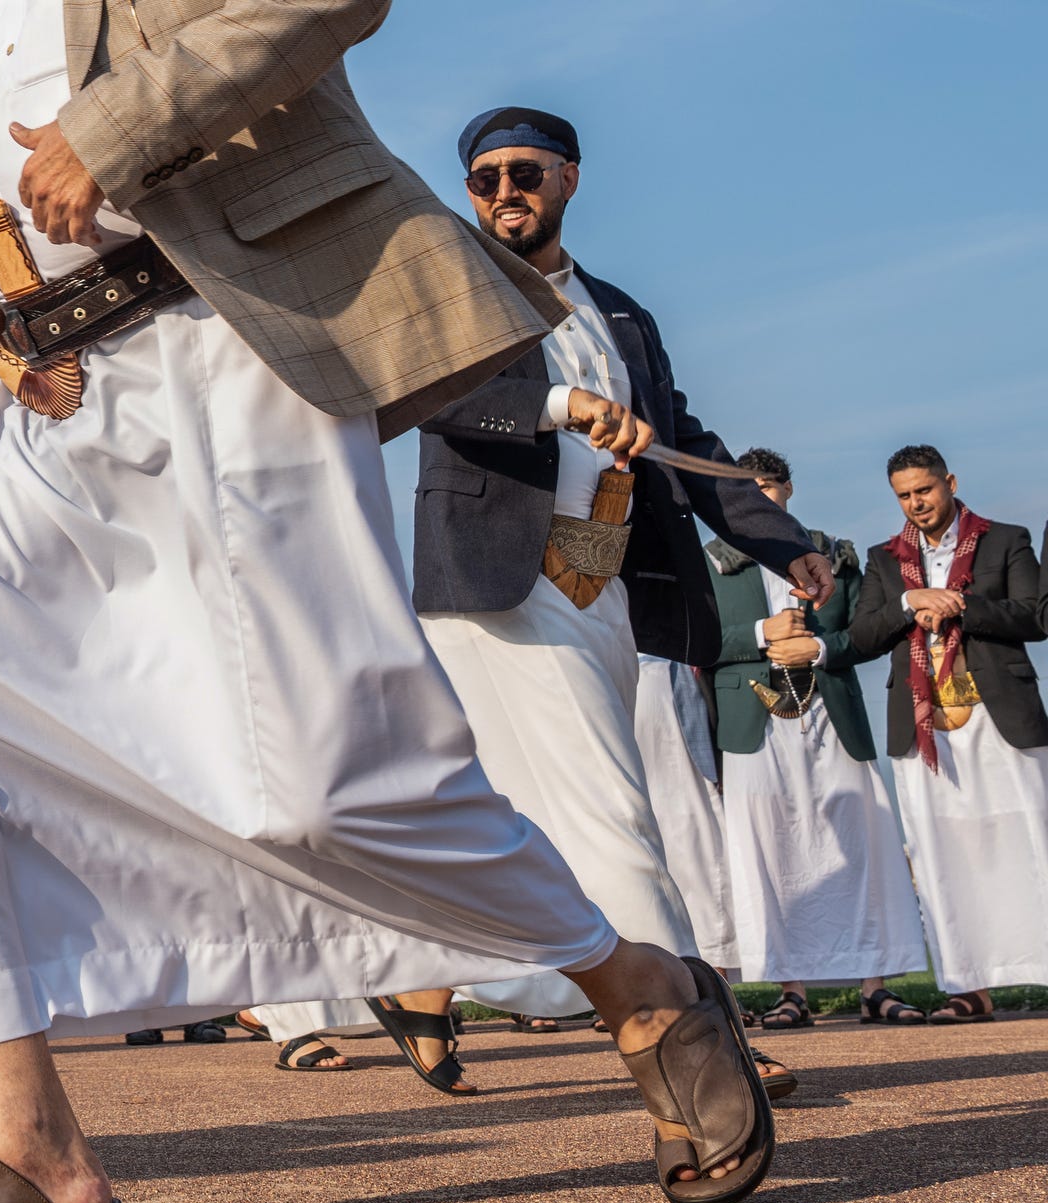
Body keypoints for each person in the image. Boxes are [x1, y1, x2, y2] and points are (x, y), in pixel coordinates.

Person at [0, 13, 780, 1203]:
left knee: (322, 787)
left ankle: (637, 986)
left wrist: (109, 130)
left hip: (223, 348)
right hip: (44, 395)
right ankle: (21, 1139)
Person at [249, 106, 824, 1097]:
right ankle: (697, 1032)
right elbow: (421, 394)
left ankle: (422, 985)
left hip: (605, 587)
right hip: (494, 585)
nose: (502, 193)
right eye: (482, 180)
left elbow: (683, 442)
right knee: (611, 804)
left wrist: (786, 544)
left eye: (521, 173)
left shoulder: (623, 315)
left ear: (566, 177)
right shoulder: (445, 290)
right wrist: (560, 406)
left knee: (500, 813)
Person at [706, 449, 927, 1026]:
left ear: (789, 490)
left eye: (768, 489)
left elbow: (866, 634)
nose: (759, 499)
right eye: (745, 491)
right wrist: (761, 635)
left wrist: (821, 648)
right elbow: (699, 640)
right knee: (770, 849)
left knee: (863, 843)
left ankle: (877, 986)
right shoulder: (711, 562)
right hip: (754, 723)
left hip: (833, 719)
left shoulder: (835, 556)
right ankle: (791, 990)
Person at [850, 446, 1048, 1024]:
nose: (916, 504)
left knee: (1032, 838)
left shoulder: (1005, 538)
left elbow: (1036, 616)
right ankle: (969, 985)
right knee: (944, 850)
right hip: (924, 723)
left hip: (999, 714)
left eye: (925, 491)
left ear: (950, 483)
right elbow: (863, 636)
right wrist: (911, 603)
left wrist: (962, 605)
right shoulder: (884, 560)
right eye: (904, 496)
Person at [631, 654, 738, 991]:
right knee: (627, 854)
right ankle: (635, 989)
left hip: (671, 689)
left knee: (700, 849)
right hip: (612, 687)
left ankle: (716, 985)